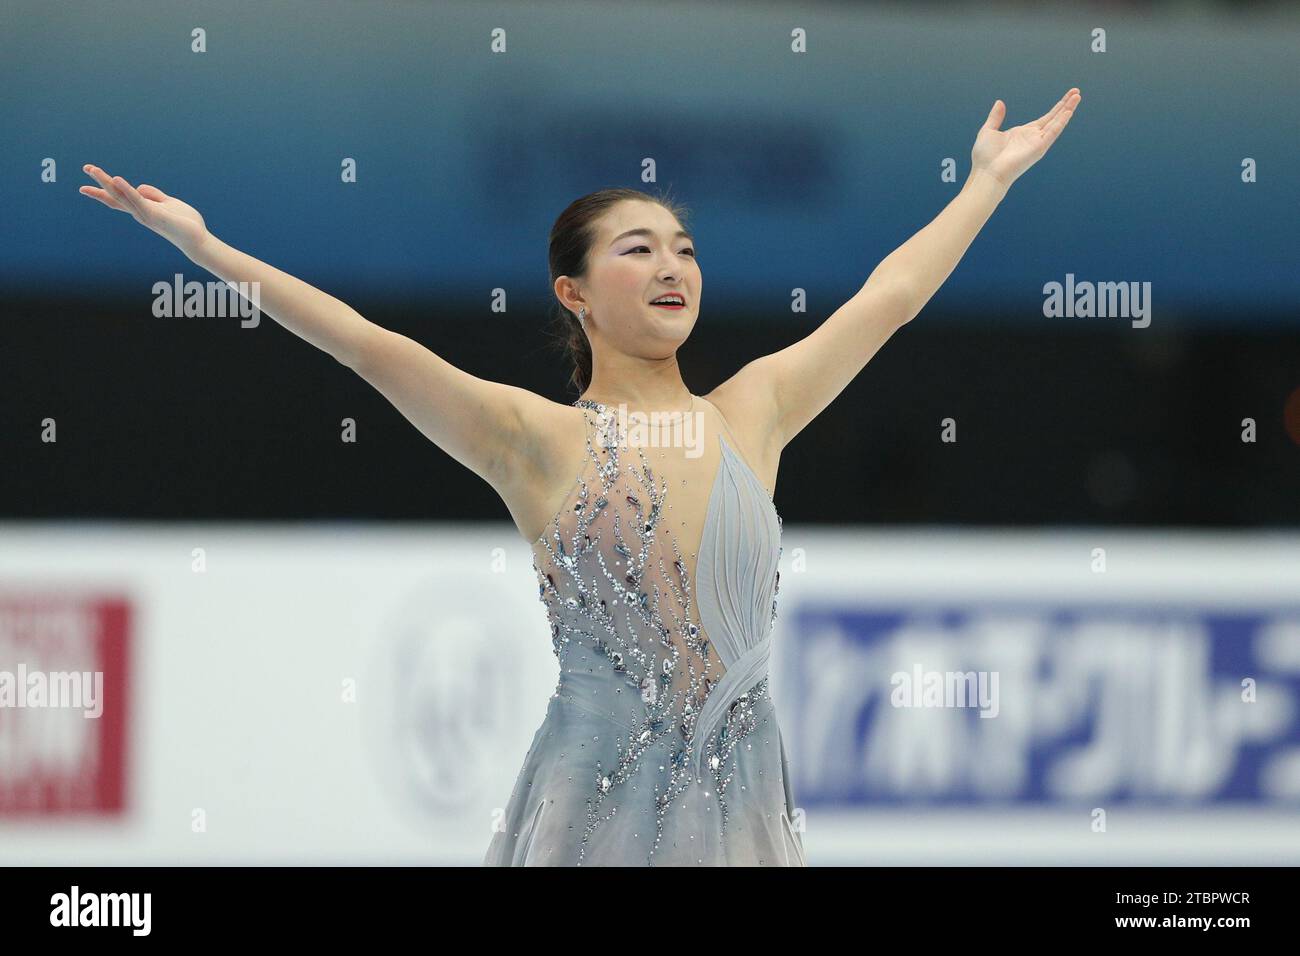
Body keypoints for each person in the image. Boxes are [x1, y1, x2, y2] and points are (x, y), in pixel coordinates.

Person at [79, 89, 1081, 865]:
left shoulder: (753, 410)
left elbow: (890, 298)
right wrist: (204, 247)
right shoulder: (537, 439)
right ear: (574, 290)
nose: (669, 265)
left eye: (682, 248)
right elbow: (364, 345)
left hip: (741, 808)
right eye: (636, 248)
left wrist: (986, 180)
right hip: (594, 795)